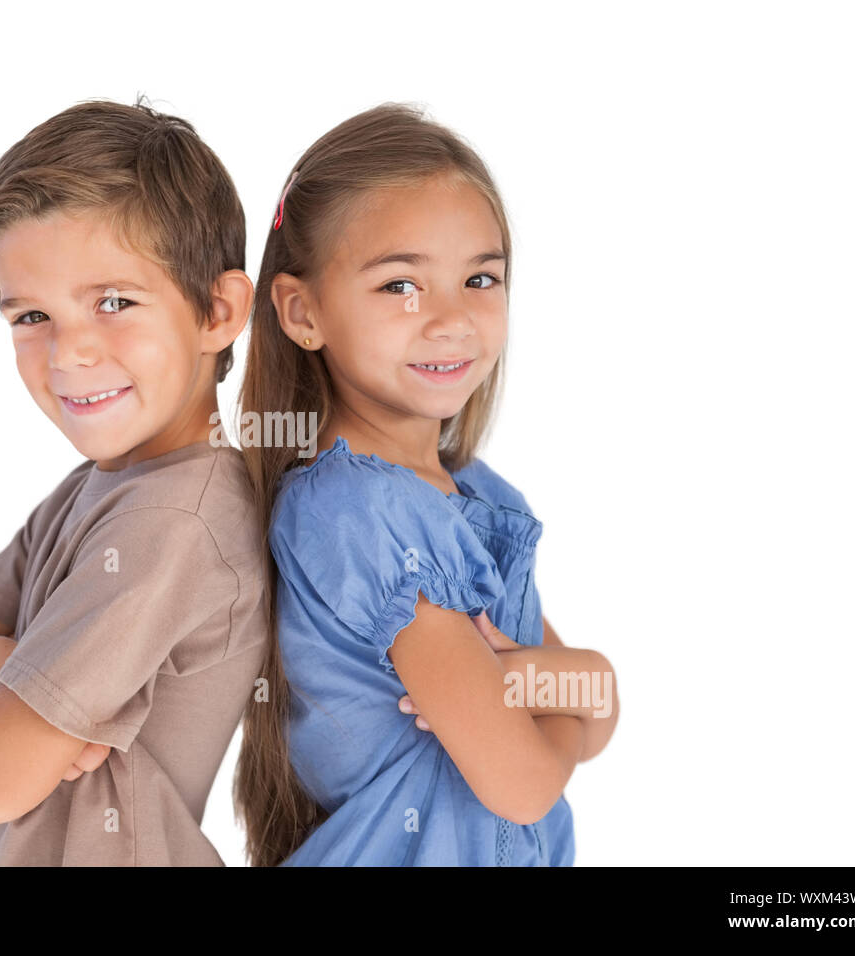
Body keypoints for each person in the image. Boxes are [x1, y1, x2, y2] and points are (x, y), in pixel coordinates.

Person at [233, 103, 620, 866]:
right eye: (400, 285)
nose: (450, 319)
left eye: (480, 278)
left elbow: (598, 704)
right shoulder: (362, 513)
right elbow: (524, 783)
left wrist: (556, 686)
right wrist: (553, 686)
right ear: (301, 310)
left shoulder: (480, 499)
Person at [0, 98, 268, 865]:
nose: (68, 354)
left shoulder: (174, 522)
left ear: (218, 312)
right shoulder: (90, 492)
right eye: (30, 316)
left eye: (114, 302)